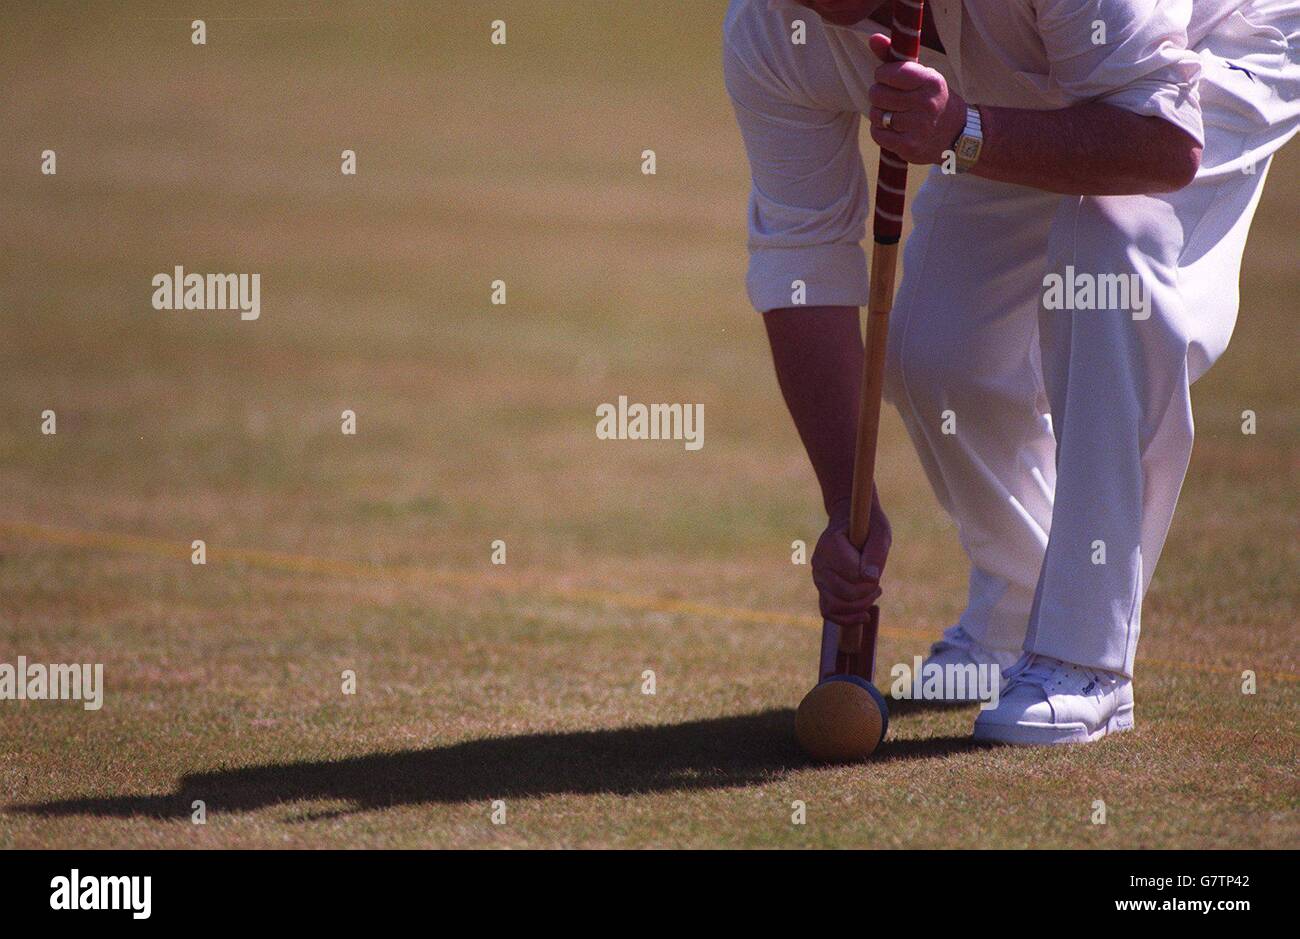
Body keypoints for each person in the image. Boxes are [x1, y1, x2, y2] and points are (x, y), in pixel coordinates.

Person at [724, 0, 1298, 743]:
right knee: (937, 346)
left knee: (1110, 249)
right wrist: (845, 502)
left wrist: (964, 131)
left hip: (1203, 51)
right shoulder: (771, 30)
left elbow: (1162, 142)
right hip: (1028, 91)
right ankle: (1016, 608)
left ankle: (1083, 657)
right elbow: (801, 261)